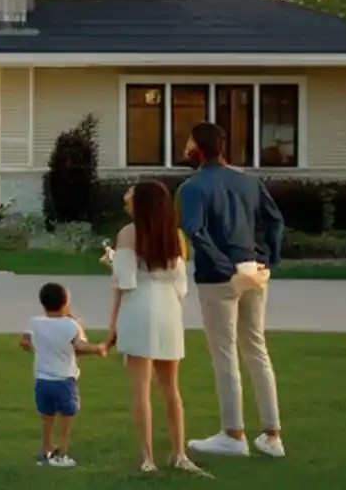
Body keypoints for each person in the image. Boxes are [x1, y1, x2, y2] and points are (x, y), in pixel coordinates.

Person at [179, 122, 286, 459]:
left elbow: (196, 231)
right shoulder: (249, 181)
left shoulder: (192, 187)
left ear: (197, 146)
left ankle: (233, 434)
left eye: (187, 141)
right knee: (256, 349)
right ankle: (272, 436)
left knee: (225, 354)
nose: (185, 147)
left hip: (218, 276)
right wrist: (268, 259)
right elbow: (276, 221)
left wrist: (224, 266)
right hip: (253, 271)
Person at [107, 180, 207, 475]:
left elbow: (125, 282)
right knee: (171, 388)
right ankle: (179, 453)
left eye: (131, 194)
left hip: (139, 307)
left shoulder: (128, 233)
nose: (127, 197)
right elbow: (181, 285)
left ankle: (147, 457)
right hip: (168, 310)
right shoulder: (175, 236)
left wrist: (112, 325)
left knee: (141, 390)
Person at [19, 282, 107, 468]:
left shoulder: (35, 322)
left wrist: (38, 348)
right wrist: (98, 349)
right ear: (65, 302)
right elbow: (79, 346)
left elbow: (25, 341)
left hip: (42, 380)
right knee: (66, 416)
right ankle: (62, 452)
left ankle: (45, 451)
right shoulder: (71, 325)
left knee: (47, 417)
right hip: (65, 379)